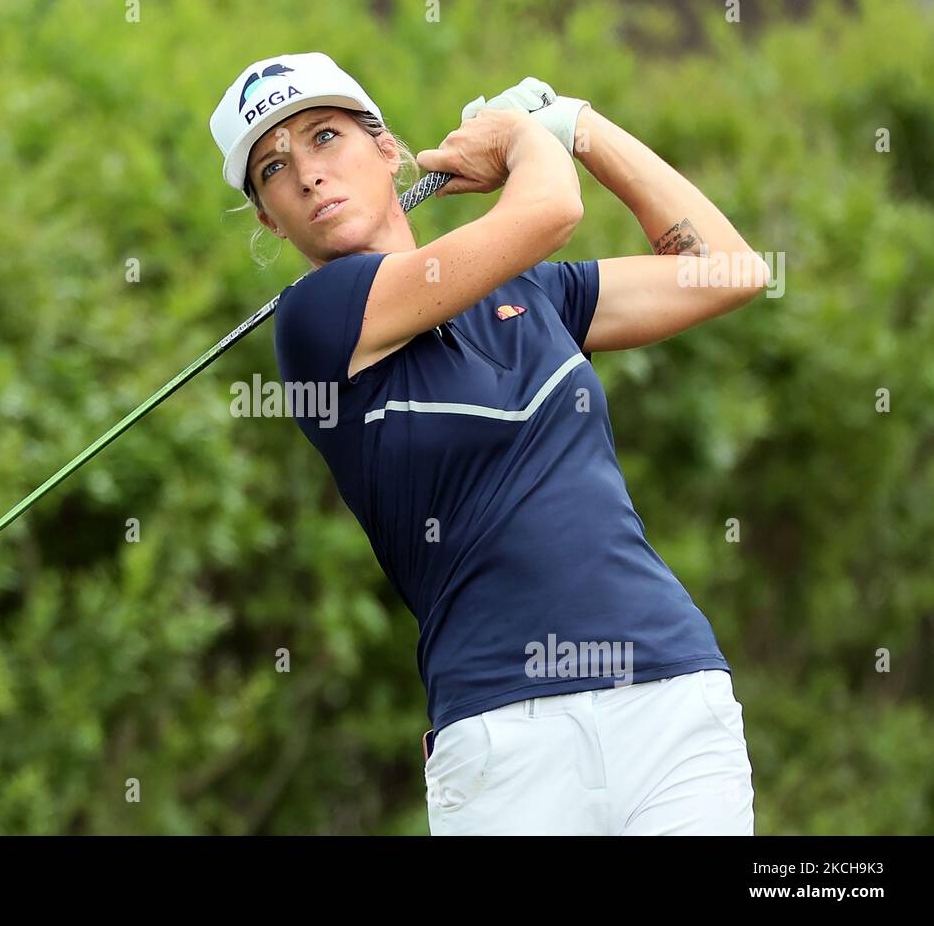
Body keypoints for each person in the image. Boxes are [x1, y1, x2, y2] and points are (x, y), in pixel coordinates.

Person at [208, 51, 768, 835]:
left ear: (388, 149)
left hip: (671, 697)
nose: (306, 174)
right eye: (274, 167)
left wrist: (580, 124)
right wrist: (521, 139)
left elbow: (730, 271)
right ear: (269, 217)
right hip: (502, 738)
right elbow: (546, 213)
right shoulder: (317, 319)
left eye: (326, 136)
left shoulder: (534, 296)